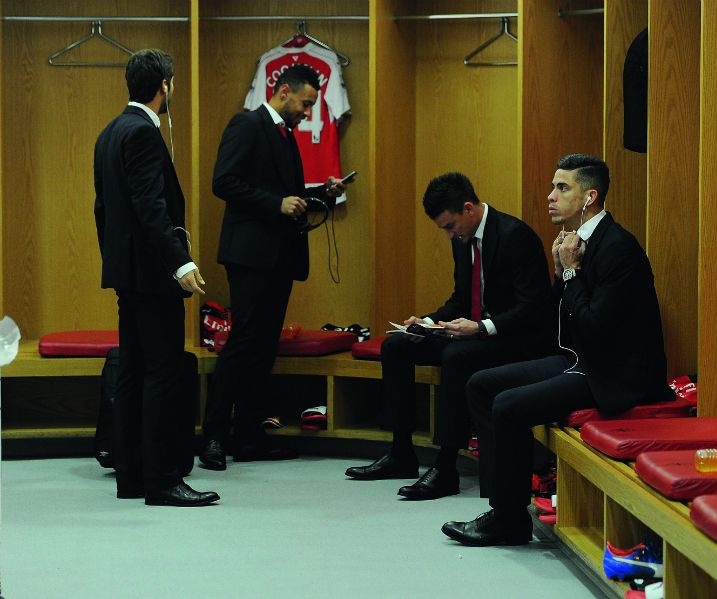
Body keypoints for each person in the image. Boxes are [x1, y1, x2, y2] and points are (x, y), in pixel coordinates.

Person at [441, 153, 674, 545]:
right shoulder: (574, 243)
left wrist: (569, 273)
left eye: (562, 187)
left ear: (589, 197)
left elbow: (596, 328)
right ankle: (502, 504)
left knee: (509, 405)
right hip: (578, 360)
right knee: (481, 384)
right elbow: (560, 325)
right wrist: (560, 273)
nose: (550, 195)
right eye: (552, 186)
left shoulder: (618, 247)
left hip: (613, 374)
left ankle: (509, 520)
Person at [345, 172, 555, 500]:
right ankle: (401, 452)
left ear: (469, 209)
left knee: (455, 357)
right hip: (474, 332)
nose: (448, 235)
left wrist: (482, 327)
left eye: (449, 226)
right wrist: (427, 322)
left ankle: (445, 468)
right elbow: (460, 298)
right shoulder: (463, 239)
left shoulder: (516, 236)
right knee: (397, 346)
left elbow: (534, 308)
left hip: (515, 339)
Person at [199, 64, 349, 470]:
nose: (306, 112)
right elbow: (223, 182)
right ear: (283, 91)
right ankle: (213, 435)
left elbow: (287, 193)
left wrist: (321, 193)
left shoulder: (285, 134)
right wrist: (276, 204)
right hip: (250, 255)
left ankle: (249, 437)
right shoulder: (247, 125)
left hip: (278, 257)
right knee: (245, 342)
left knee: (262, 349)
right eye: (304, 104)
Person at [94, 49, 219, 507]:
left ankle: (131, 476)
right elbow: (151, 207)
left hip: (127, 274)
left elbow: (102, 211)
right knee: (163, 374)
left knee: (131, 372)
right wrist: (180, 261)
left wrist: (117, 263)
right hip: (153, 275)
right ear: (164, 85)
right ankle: (164, 479)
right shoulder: (144, 133)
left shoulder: (109, 133)